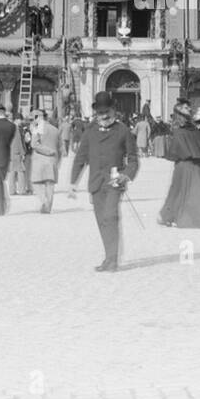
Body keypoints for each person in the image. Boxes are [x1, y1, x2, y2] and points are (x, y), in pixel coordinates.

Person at [69, 91, 139, 271]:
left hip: (114, 181)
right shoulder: (90, 131)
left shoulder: (123, 130)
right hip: (95, 182)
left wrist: (127, 174)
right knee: (102, 221)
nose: (104, 115)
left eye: (107, 111)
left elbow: (133, 158)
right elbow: (80, 158)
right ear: (95, 113)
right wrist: (73, 183)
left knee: (110, 216)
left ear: (113, 110)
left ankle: (113, 259)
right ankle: (108, 258)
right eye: (100, 112)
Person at [158, 98, 200, 228]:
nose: (190, 109)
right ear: (179, 109)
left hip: (195, 161)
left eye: (189, 108)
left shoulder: (191, 125)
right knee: (184, 189)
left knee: (191, 189)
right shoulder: (178, 126)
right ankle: (179, 216)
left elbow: (198, 140)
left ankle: (183, 216)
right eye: (186, 108)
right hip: (185, 162)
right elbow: (179, 144)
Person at [29, 108, 62, 213]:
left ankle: (44, 201)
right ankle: (48, 207)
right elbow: (60, 147)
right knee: (50, 184)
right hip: (53, 161)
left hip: (40, 160)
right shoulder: (55, 129)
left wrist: (48, 151)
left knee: (36, 183)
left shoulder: (37, 128)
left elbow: (34, 144)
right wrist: (57, 160)